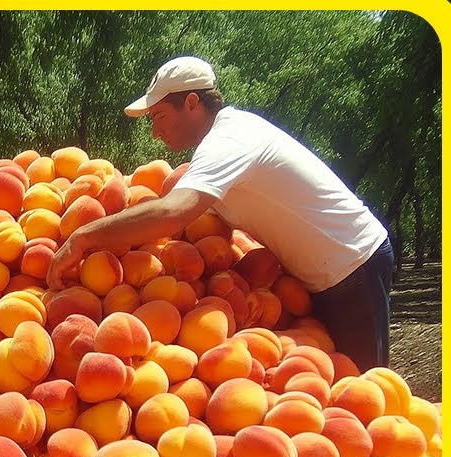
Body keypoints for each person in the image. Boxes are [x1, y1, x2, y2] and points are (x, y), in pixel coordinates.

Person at [47, 56, 392, 370]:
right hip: (327, 270)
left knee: (361, 386)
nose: (155, 132)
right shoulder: (226, 138)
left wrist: (84, 238)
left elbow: (174, 212)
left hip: (351, 262)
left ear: (192, 103)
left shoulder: (229, 140)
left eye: (160, 116)